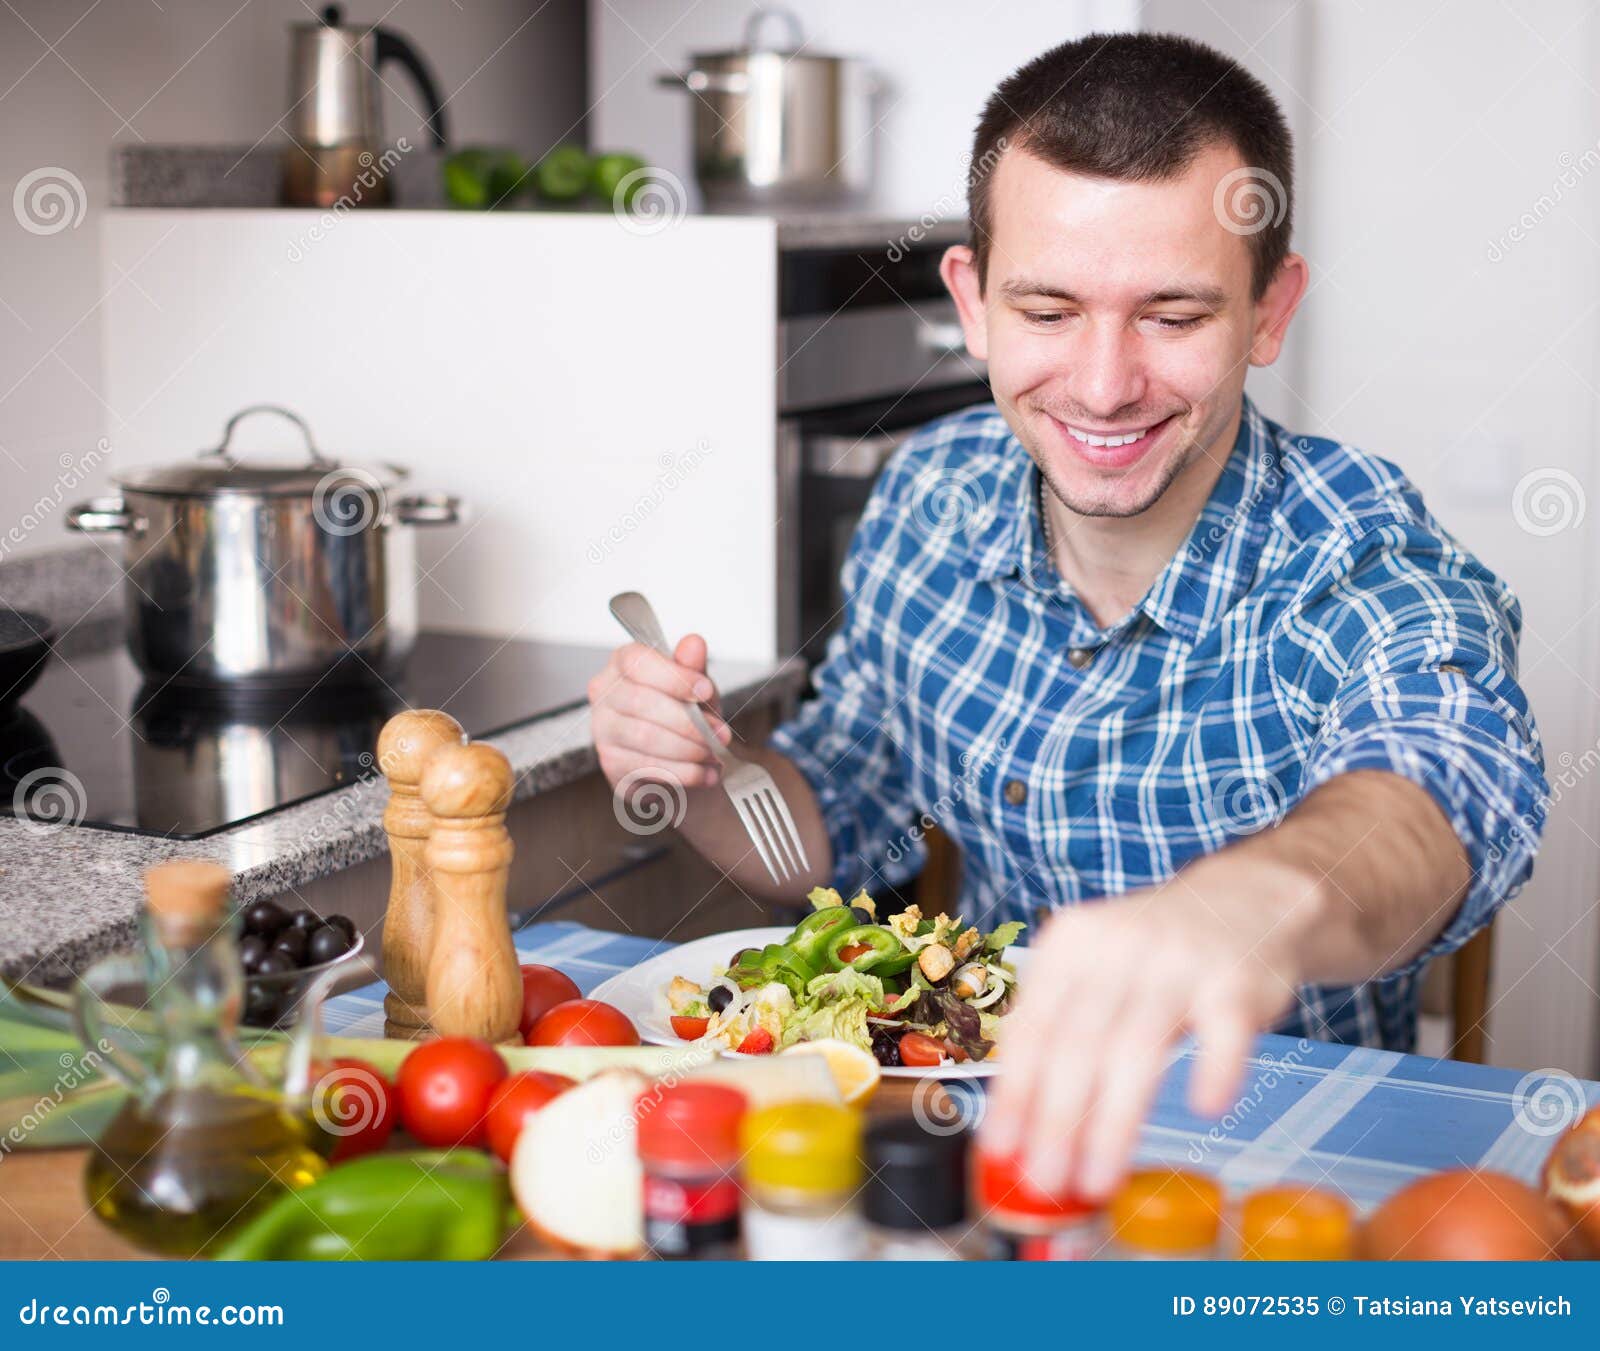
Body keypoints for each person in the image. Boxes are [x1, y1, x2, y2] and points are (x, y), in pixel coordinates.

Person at [586, 32, 1546, 1202]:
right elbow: (831, 822)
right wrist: (699, 773)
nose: (1101, 385)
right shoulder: (929, 497)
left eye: (1173, 315)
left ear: (1266, 312)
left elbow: (1443, 779)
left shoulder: (1352, 549)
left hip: (1270, 1187)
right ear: (972, 302)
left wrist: (1255, 899)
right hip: (975, 1155)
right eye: (1046, 308)